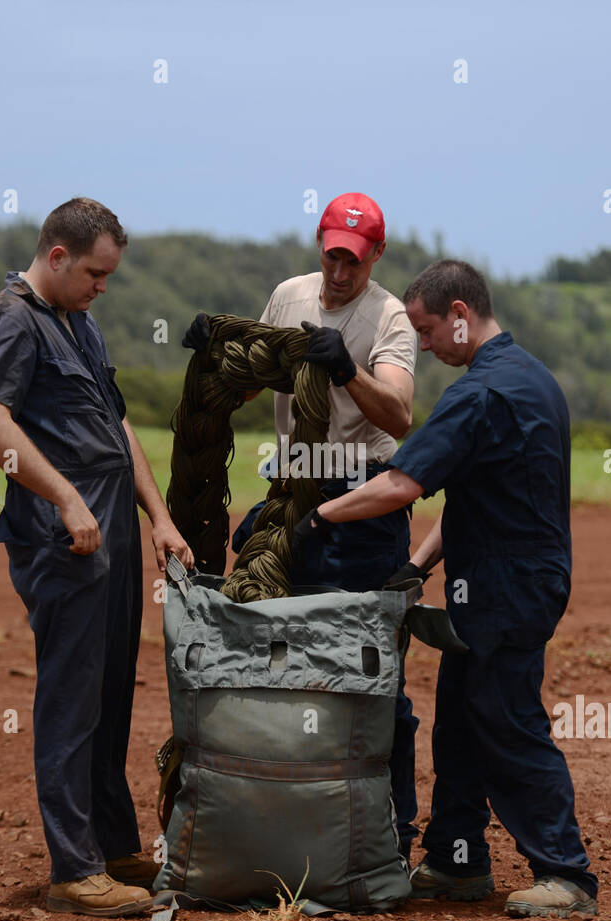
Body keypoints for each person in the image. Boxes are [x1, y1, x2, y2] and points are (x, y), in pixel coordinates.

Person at [290, 259, 598, 918]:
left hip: (506, 588)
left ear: (460, 315)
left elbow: (403, 483)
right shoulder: (532, 377)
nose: (424, 345)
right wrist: (419, 564)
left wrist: (320, 517)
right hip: (503, 579)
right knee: (459, 721)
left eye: (427, 330)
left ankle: (565, 873)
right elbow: (472, 495)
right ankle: (458, 862)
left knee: (507, 722)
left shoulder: (480, 393)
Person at [0, 197, 194, 918]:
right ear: (57, 256)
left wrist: (158, 517)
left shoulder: (80, 323)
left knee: (110, 692)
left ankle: (112, 847)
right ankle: (73, 870)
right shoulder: (11, 319)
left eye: (109, 276)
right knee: (71, 697)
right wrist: (65, 498)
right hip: (64, 533)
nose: (102, 286)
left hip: (113, 527)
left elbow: (117, 425)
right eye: (95, 273)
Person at [185, 192, 423, 862]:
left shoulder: (390, 318)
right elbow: (254, 380)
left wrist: (347, 370)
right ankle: (295, 825)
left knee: (369, 671)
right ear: (320, 244)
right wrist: (214, 351)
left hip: (362, 504)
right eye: (332, 257)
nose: (340, 272)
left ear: (376, 256)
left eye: (354, 261)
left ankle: (390, 837)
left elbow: (400, 416)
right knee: (276, 657)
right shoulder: (289, 296)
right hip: (292, 493)